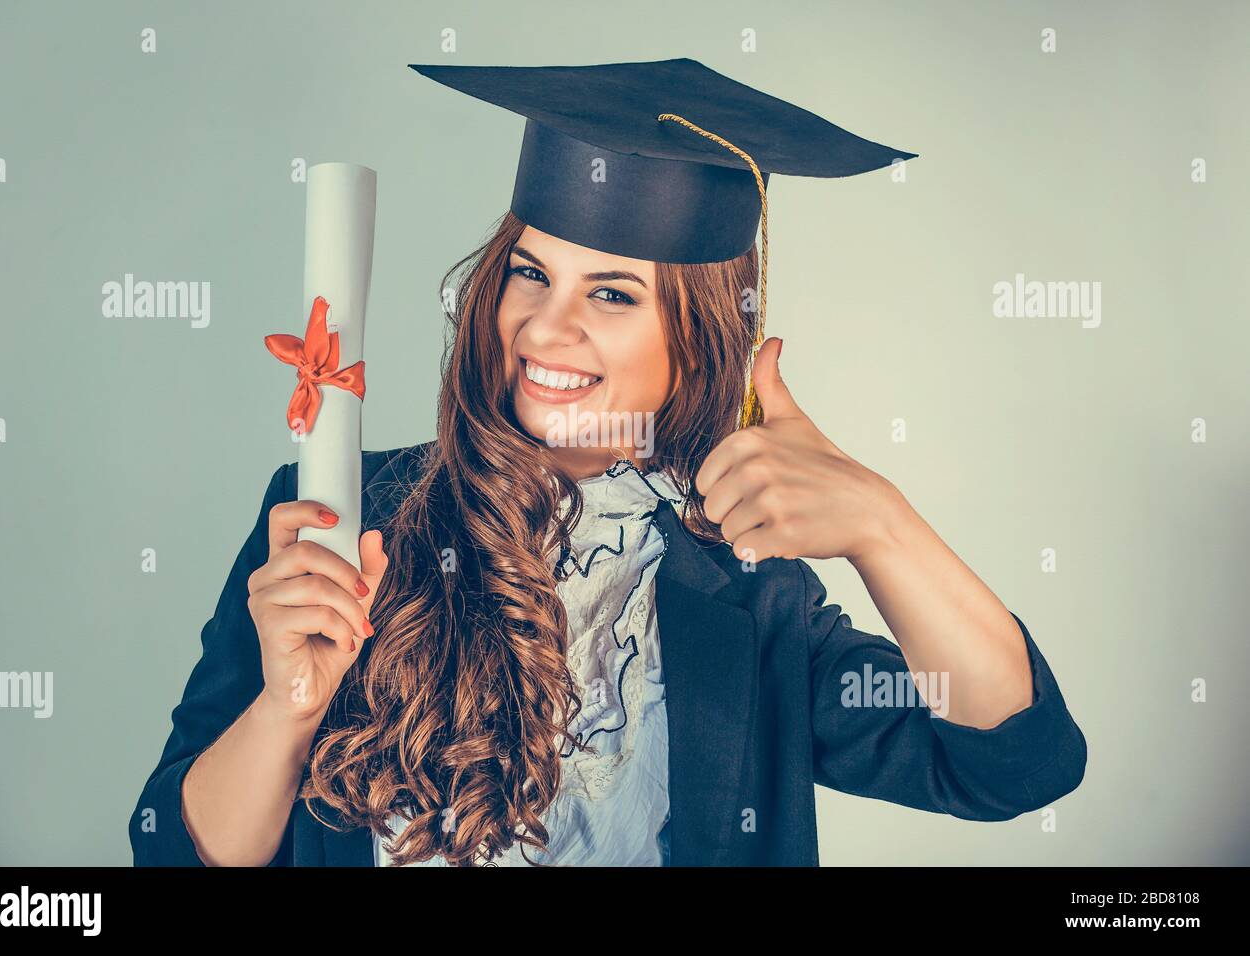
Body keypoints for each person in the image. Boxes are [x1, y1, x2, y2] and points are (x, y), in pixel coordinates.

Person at [129, 59, 1087, 867]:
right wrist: (288, 710)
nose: (548, 325)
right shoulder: (341, 518)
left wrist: (885, 527)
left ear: (695, 336)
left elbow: (1012, 764)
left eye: (615, 294)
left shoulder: (747, 594)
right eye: (532, 272)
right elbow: (168, 851)